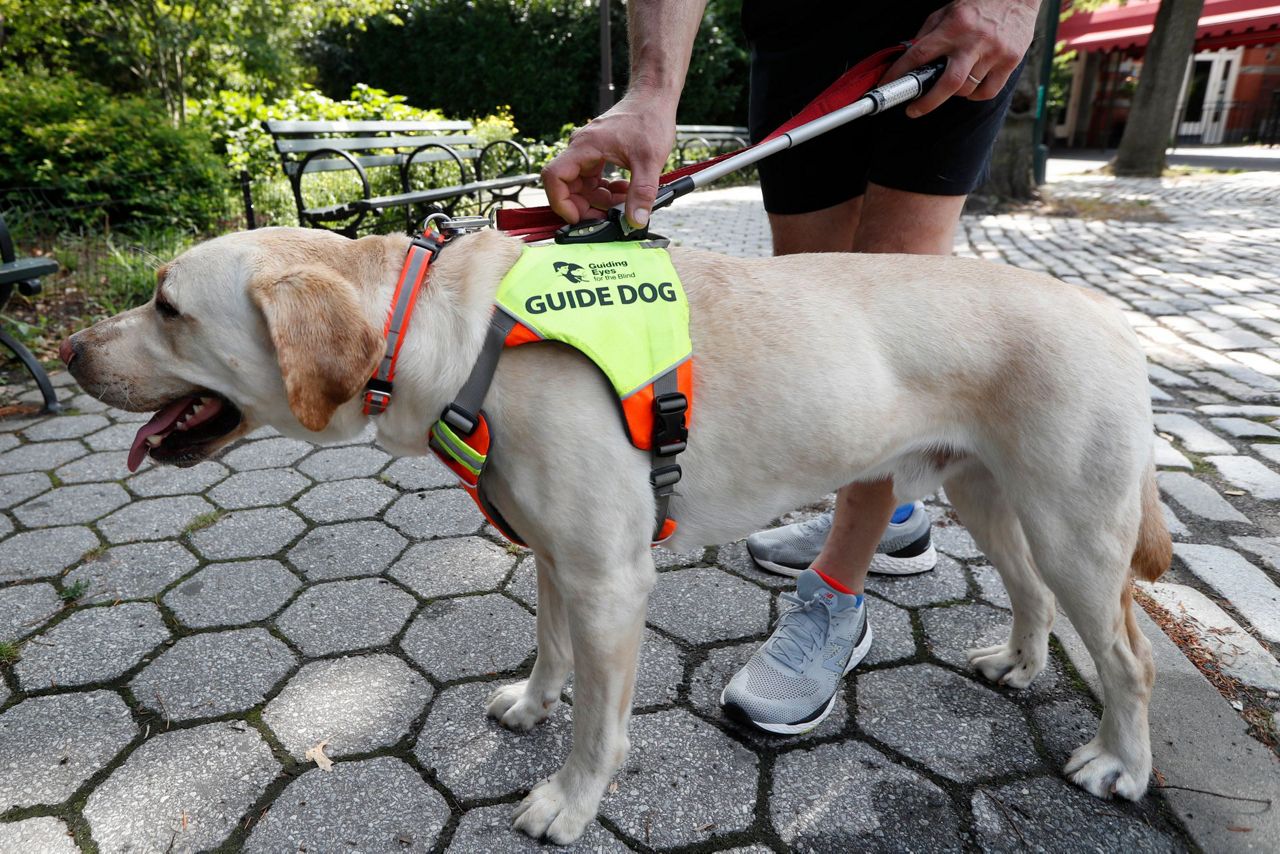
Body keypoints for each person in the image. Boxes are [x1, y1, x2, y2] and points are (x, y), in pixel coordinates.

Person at [542, 0, 1038, 733]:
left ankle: (839, 591)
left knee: (890, 334)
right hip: (798, 30)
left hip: (944, 19)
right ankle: (892, 513)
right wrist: (652, 90)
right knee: (812, 321)